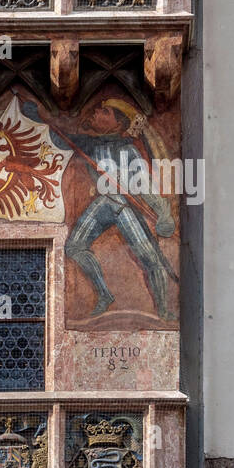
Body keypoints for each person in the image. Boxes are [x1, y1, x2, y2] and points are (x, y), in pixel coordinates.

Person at [65, 103, 175, 320]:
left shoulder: (128, 150)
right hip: (105, 202)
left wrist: (163, 213)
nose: (96, 112)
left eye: (104, 111)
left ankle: (163, 310)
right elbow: (61, 138)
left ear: (119, 122)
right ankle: (105, 295)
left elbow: (145, 187)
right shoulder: (91, 144)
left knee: (151, 259)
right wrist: (36, 117)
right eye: (100, 109)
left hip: (124, 206)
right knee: (74, 246)